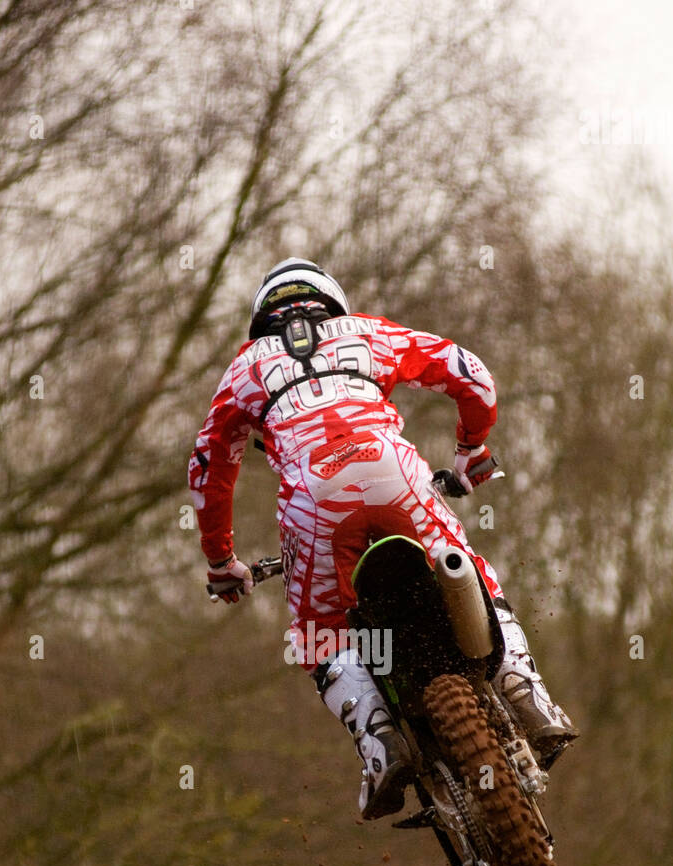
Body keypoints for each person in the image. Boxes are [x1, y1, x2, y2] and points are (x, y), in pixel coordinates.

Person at [188, 259, 577, 819]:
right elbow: (471, 374)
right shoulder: (367, 332)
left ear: (261, 322)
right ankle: (523, 689)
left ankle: (380, 743)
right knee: (469, 571)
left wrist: (222, 559)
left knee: (318, 635)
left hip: (314, 504)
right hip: (396, 476)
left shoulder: (243, 372)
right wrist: (471, 448)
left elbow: (206, 468)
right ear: (331, 304)